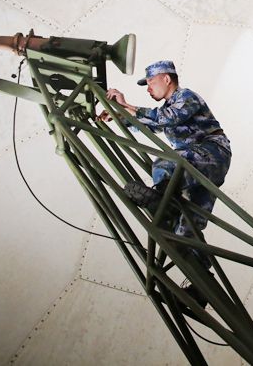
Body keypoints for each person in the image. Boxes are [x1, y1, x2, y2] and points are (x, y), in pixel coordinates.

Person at [99, 60, 231, 307]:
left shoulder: (186, 97)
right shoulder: (167, 107)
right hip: (196, 167)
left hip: (211, 154)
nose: (148, 88)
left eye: (150, 82)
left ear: (166, 79)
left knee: (165, 162)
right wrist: (118, 116)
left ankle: (160, 195)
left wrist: (127, 106)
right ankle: (202, 287)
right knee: (187, 229)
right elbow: (149, 124)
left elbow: (169, 118)